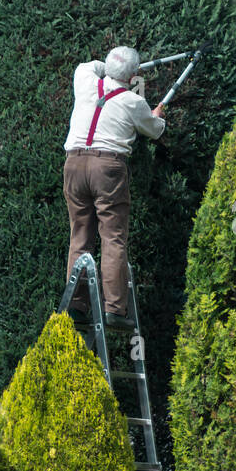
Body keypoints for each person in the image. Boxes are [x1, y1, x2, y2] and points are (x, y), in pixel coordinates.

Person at [62, 46, 166, 330]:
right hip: (108, 168)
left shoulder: (83, 78)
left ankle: (77, 305)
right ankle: (113, 309)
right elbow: (155, 130)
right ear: (133, 76)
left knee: (80, 235)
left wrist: (115, 66)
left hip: (73, 164)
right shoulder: (134, 102)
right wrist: (157, 115)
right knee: (113, 237)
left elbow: (91, 65)